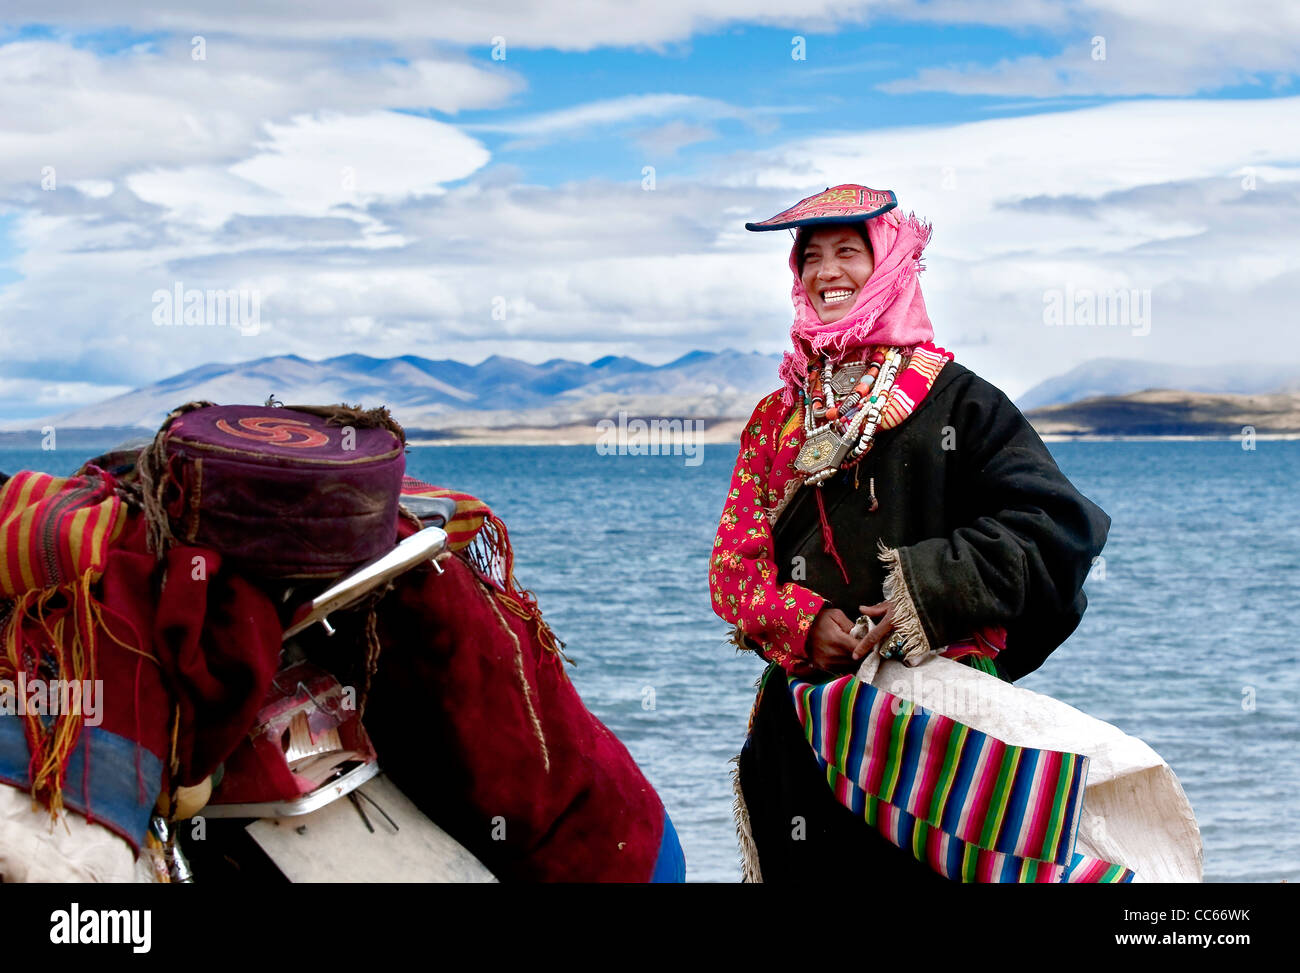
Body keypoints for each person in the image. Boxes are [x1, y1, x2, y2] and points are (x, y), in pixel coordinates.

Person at [709, 184, 1112, 883]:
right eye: (811, 257)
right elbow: (732, 571)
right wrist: (809, 623)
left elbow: (1058, 526)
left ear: (889, 261)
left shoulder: (961, 401)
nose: (826, 272)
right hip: (807, 735)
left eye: (847, 253)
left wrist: (918, 594)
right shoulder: (777, 419)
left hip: (941, 733)